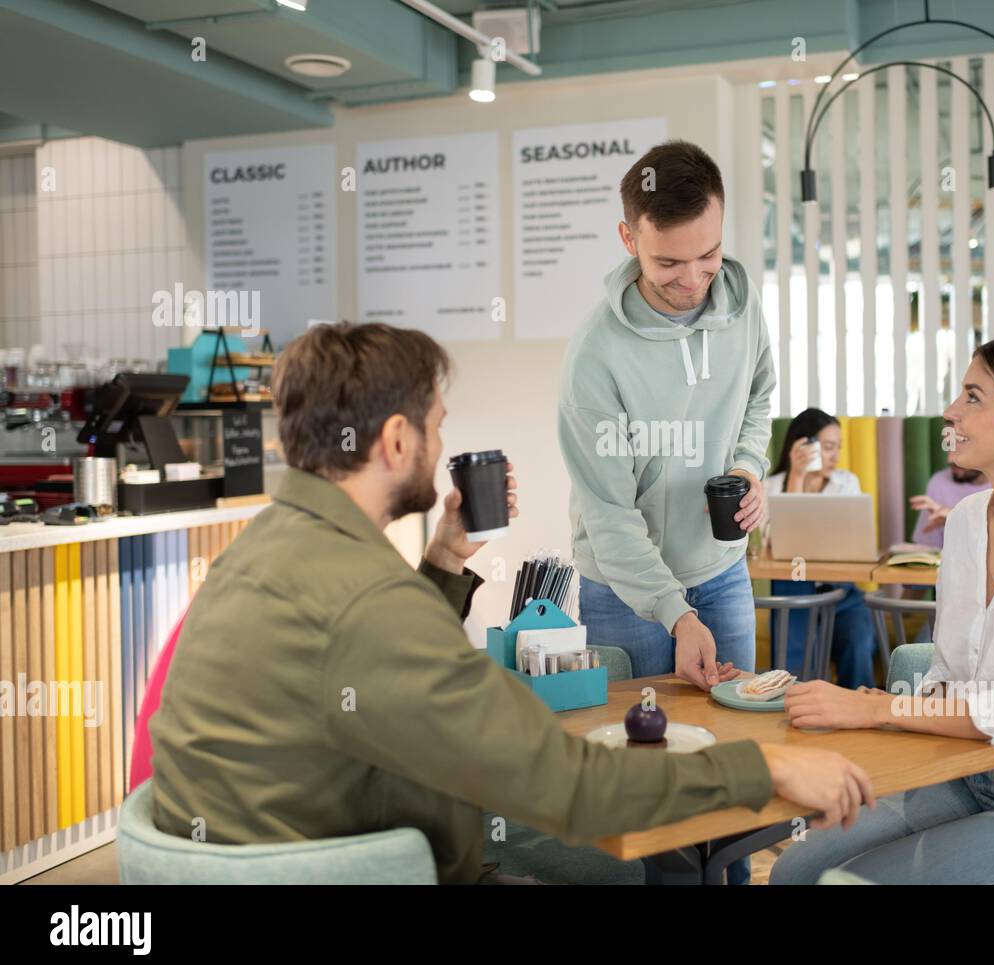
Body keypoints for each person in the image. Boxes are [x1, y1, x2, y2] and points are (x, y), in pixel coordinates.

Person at [148, 322, 875, 885]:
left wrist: (442, 561)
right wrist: (766, 768)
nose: (440, 442)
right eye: (435, 425)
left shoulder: (268, 544)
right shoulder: (364, 597)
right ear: (397, 439)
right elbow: (574, 787)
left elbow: (371, 661)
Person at [771, 336, 994, 885]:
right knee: (794, 870)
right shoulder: (967, 521)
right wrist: (894, 705)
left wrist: (881, 712)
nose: (950, 411)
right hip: (964, 774)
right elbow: (952, 675)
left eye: (973, 397)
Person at [558, 139, 775, 884]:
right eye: (669, 264)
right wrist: (676, 614)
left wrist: (749, 468)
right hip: (627, 597)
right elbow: (612, 522)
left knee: (733, 788)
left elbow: (759, 397)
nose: (693, 281)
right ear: (630, 239)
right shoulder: (596, 359)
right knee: (652, 805)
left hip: (722, 573)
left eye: (708, 256)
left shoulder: (742, 308)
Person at [763, 408, 878, 688]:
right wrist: (797, 478)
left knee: (859, 641)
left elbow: (855, 542)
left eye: (837, 447)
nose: (835, 456)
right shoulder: (771, 486)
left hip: (843, 592)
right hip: (793, 590)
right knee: (795, 668)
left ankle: (860, 716)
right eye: (828, 447)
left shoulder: (846, 483)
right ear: (801, 446)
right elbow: (775, 544)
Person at [910, 459, 988, 549]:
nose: (950, 459)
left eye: (962, 445)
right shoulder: (939, 481)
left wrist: (955, 518)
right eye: (948, 446)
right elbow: (927, 550)